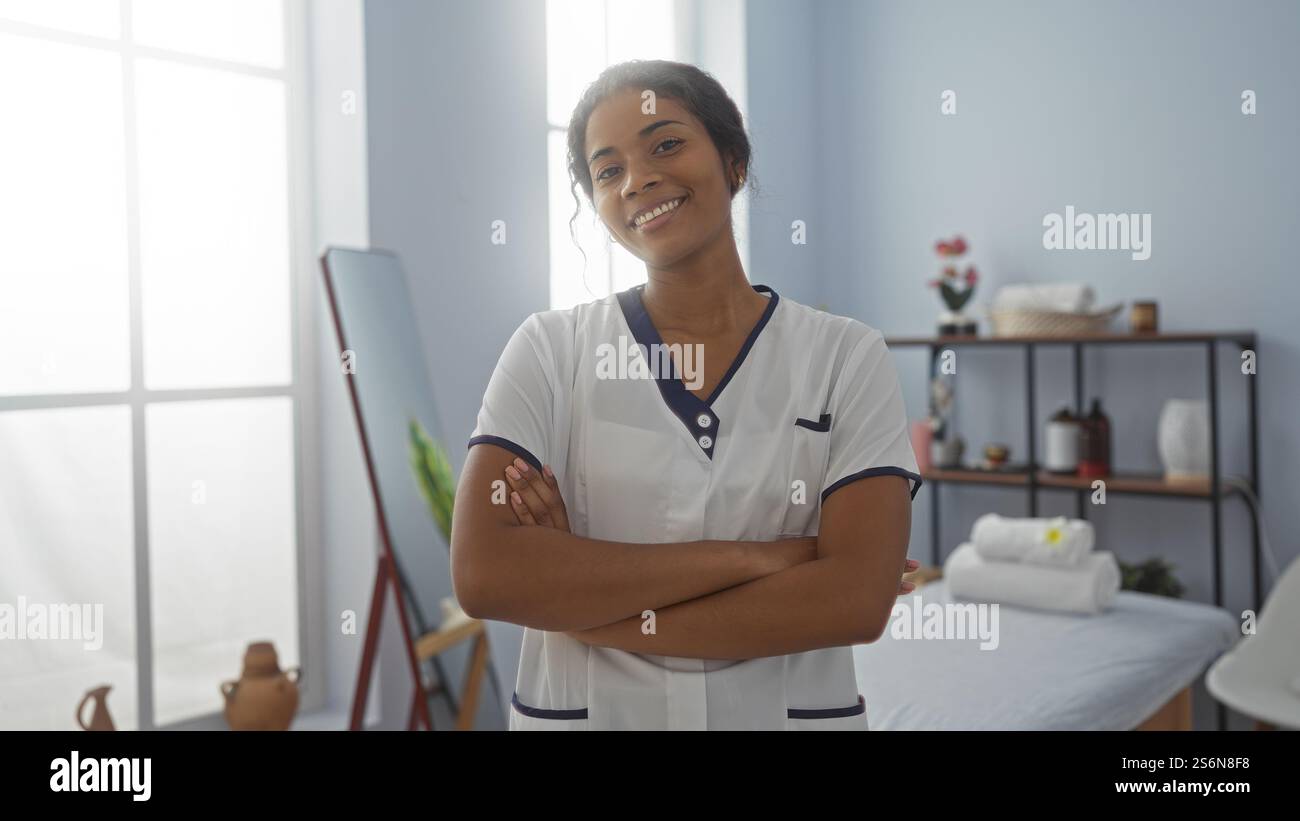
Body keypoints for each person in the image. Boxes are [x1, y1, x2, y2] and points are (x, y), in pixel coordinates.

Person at [450, 60, 922, 730]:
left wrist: (581, 601)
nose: (638, 179)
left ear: (733, 160)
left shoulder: (846, 356)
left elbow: (852, 601)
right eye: (608, 170)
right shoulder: (551, 350)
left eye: (666, 144)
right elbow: (485, 574)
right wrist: (757, 556)